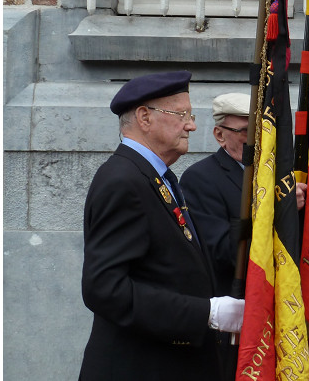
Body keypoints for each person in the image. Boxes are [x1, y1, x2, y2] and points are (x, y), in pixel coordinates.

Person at [78, 71, 244, 381]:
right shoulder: (124, 180)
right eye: (182, 114)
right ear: (144, 117)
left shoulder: (155, 177)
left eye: (190, 115)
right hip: (139, 367)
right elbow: (104, 290)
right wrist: (206, 314)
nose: (192, 125)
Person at [179, 92, 307, 379]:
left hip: (281, 307)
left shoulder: (276, 176)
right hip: (236, 321)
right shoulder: (201, 178)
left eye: (259, 130)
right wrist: (277, 211)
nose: (254, 140)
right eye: (243, 131)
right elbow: (221, 251)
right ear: (219, 135)